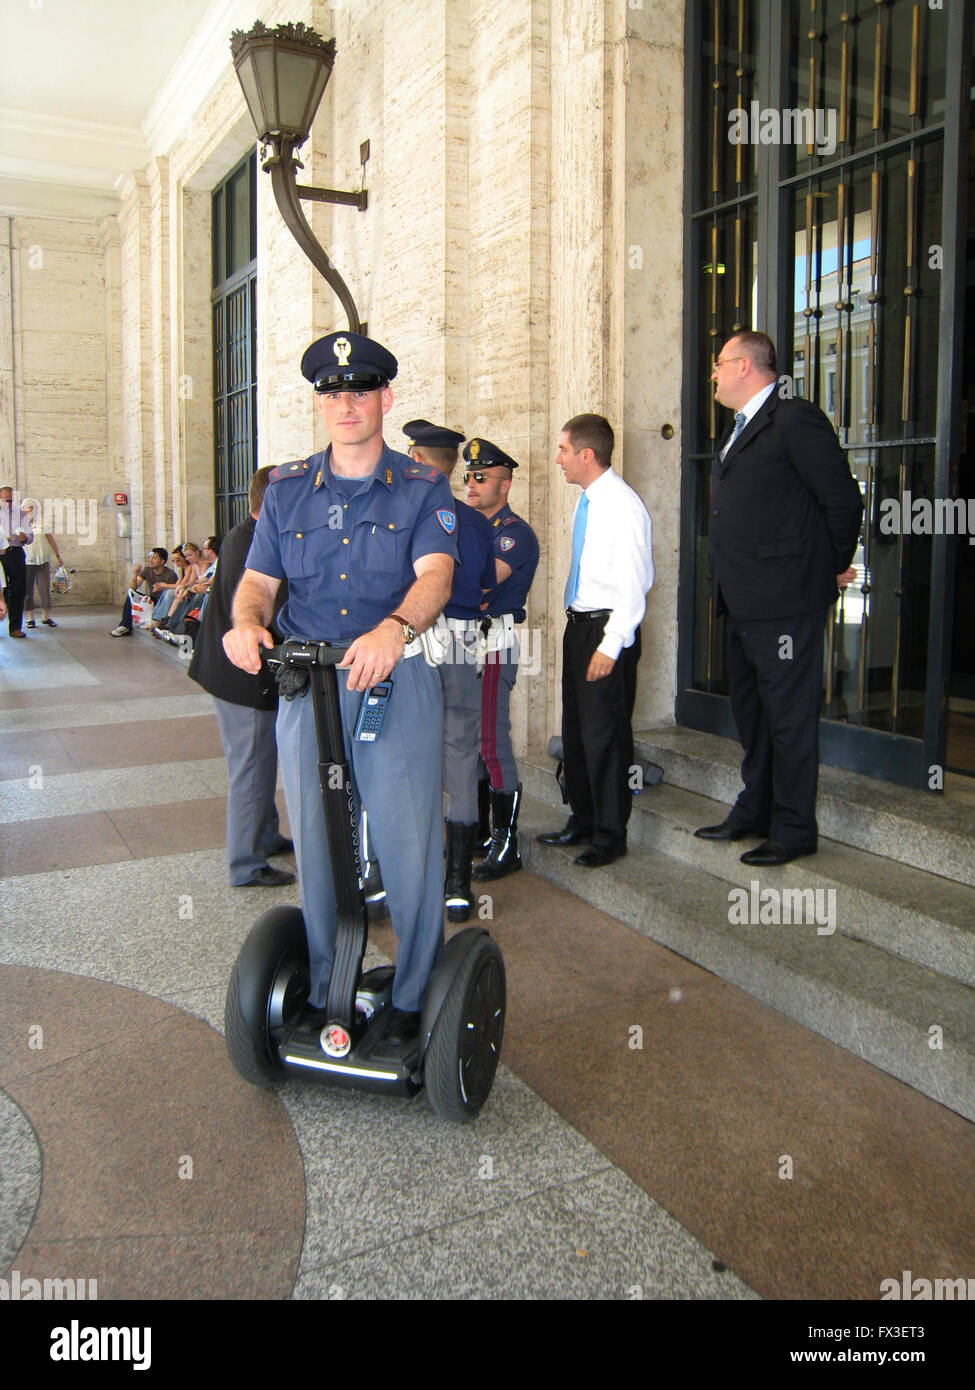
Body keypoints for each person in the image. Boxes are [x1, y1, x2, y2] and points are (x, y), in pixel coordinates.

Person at [223, 331, 458, 1044]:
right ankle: (329, 985)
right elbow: (259, 583)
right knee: (319, 842)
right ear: (319, 403)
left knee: (405, 837)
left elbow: (436, 575)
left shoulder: (421, 486)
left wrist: (394, 630)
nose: (345, 403)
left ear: (385, 398)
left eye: (360, 391)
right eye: (332, 392)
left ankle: (413, 996)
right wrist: (242, 623)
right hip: (308, 684)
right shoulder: (289, 490)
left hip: (393, 678)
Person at [693, 330, 863, 865]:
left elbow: (843, 501)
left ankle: (793, 829)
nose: (714, 374)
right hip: (742, 601)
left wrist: (824, 569)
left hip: (787, 601)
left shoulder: (794, 418)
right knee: (753, 712)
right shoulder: (737, 429)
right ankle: (755, 808)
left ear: (745, 365)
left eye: (719, 364)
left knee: (789, 718)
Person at [537, 414, 653, 868]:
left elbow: (636, 581)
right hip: (580, 626)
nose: (558, 459)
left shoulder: (621, 505)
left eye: (564, 450)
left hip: (607, 631)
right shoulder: (588, 500)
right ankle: (583, 820)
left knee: (606, 737)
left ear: (587, 454)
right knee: (579, 733)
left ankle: (610, 835)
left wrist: (612, 643)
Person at [402, 419, 495, 921]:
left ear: (416, 460)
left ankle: (393, 874)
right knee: (461, 756)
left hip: (414, 643)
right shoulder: (479, 524)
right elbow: (482, 584)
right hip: (460, 645)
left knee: (405, 754)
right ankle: (458, 882)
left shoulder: (405, 516)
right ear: (455, 465)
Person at [188, 467, 294, 888]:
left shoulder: (246, 535)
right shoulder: (253, 545)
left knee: (256, 762)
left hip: (235, 673)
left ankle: (265, 836)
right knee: (251, 770)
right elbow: (271, 612)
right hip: (243, 678)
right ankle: (246, 865)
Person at [463, 438, 540, 882]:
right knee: (470, 739)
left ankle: (506, 841)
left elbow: (483, 584)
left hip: (495, 642)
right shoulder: (470, 528)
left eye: (481, 478)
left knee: (492, 740)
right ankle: (476, 832)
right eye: (468, 477)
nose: (471, 485)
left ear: (505, 484)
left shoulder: (513, 532)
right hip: (463, 641)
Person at [110, 548, 176, 635]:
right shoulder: (147, 570)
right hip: (150, 598)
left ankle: (159, 624)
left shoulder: (170, 574)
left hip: (162, 602)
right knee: (131, 595)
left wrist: (163, 586)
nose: (151, 560)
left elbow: (173, 593)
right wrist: (135, 574)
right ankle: (125, 626)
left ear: (162, 561)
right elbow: (133, 587)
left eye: (155, 558)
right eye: (151, 557)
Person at [22, 500, 64, 628]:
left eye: (31, 508)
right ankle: (30, 618)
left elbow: (51, 541)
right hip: (27, 561)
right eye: (27, 508)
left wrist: (58, 556)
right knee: (28, 590)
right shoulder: (21, 526)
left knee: (44, 589)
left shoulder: (42, 524)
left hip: (43, 560)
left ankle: (46, 617)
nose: (29, 510)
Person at [1, 485, 34, 638]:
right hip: (0, 554)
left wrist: (25, 537)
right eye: (5, 500)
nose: (8, 503)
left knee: (18, 590)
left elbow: (30, 536)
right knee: (3, 592)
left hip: (15, 553)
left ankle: (15, 627)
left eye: (10, 500)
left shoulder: (20, 514)